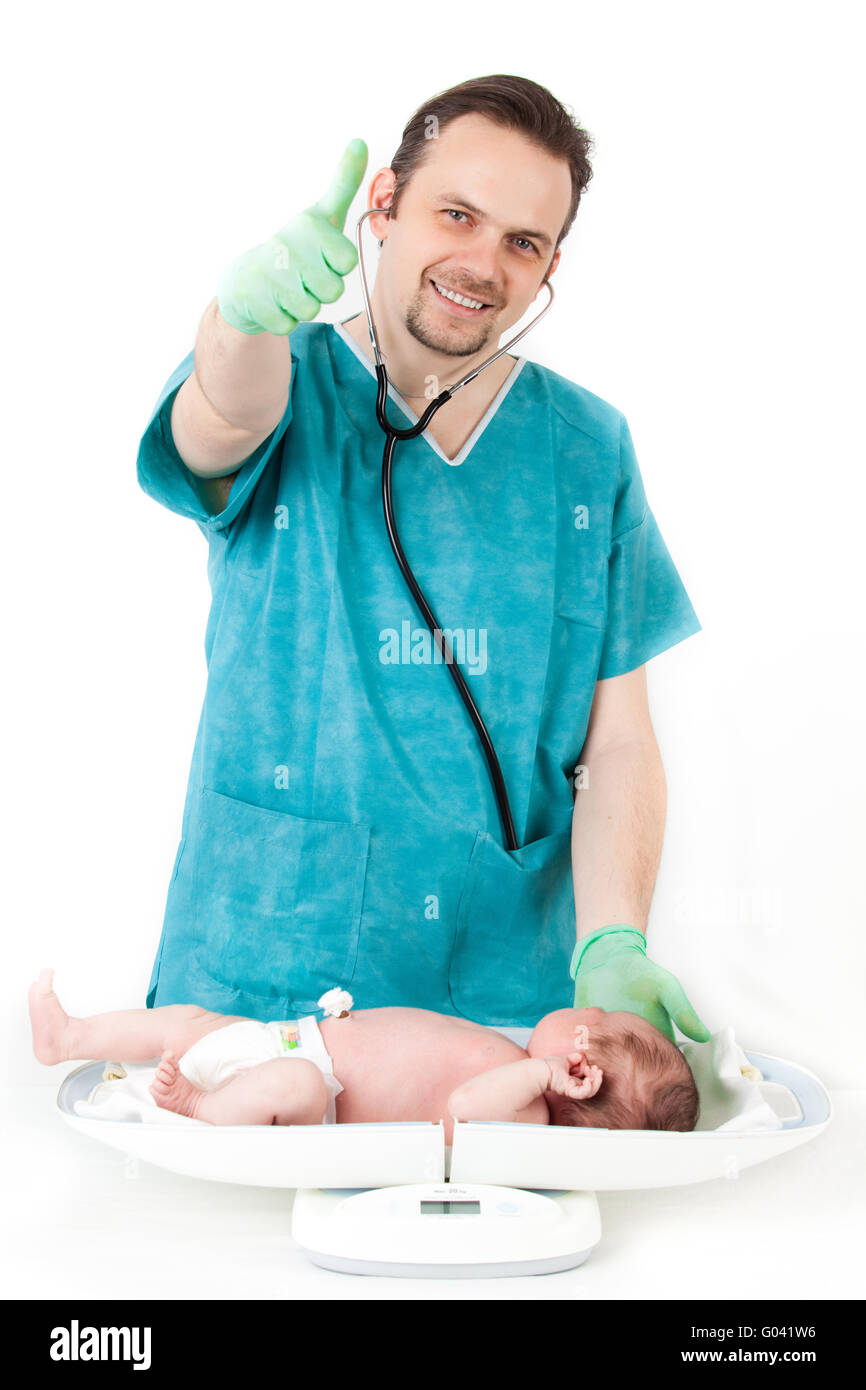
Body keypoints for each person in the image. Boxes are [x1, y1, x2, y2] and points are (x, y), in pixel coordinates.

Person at [136, 73, 710, 1040]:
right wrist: (243, 316)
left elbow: (616, 743)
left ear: (548, 268)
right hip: (263, 982)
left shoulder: (587, 448)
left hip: (499, 1003)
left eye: (522, 241)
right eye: (457, 213)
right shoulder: (290, 381)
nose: (483, 261)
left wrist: (611, 941)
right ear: (385, 206)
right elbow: (221, 416)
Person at [29, 970, 699, 1144]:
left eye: (596, 1022)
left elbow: (464, 1109)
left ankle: (202, 1105)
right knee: (189, 1022)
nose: (589, 1008)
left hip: (307, 1091)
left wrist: (537, 1074)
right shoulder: (515, 1057)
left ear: (578, 1071)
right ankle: (72, 1038)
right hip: (291, 1039)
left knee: (293, 1085)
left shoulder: (525, 1114)